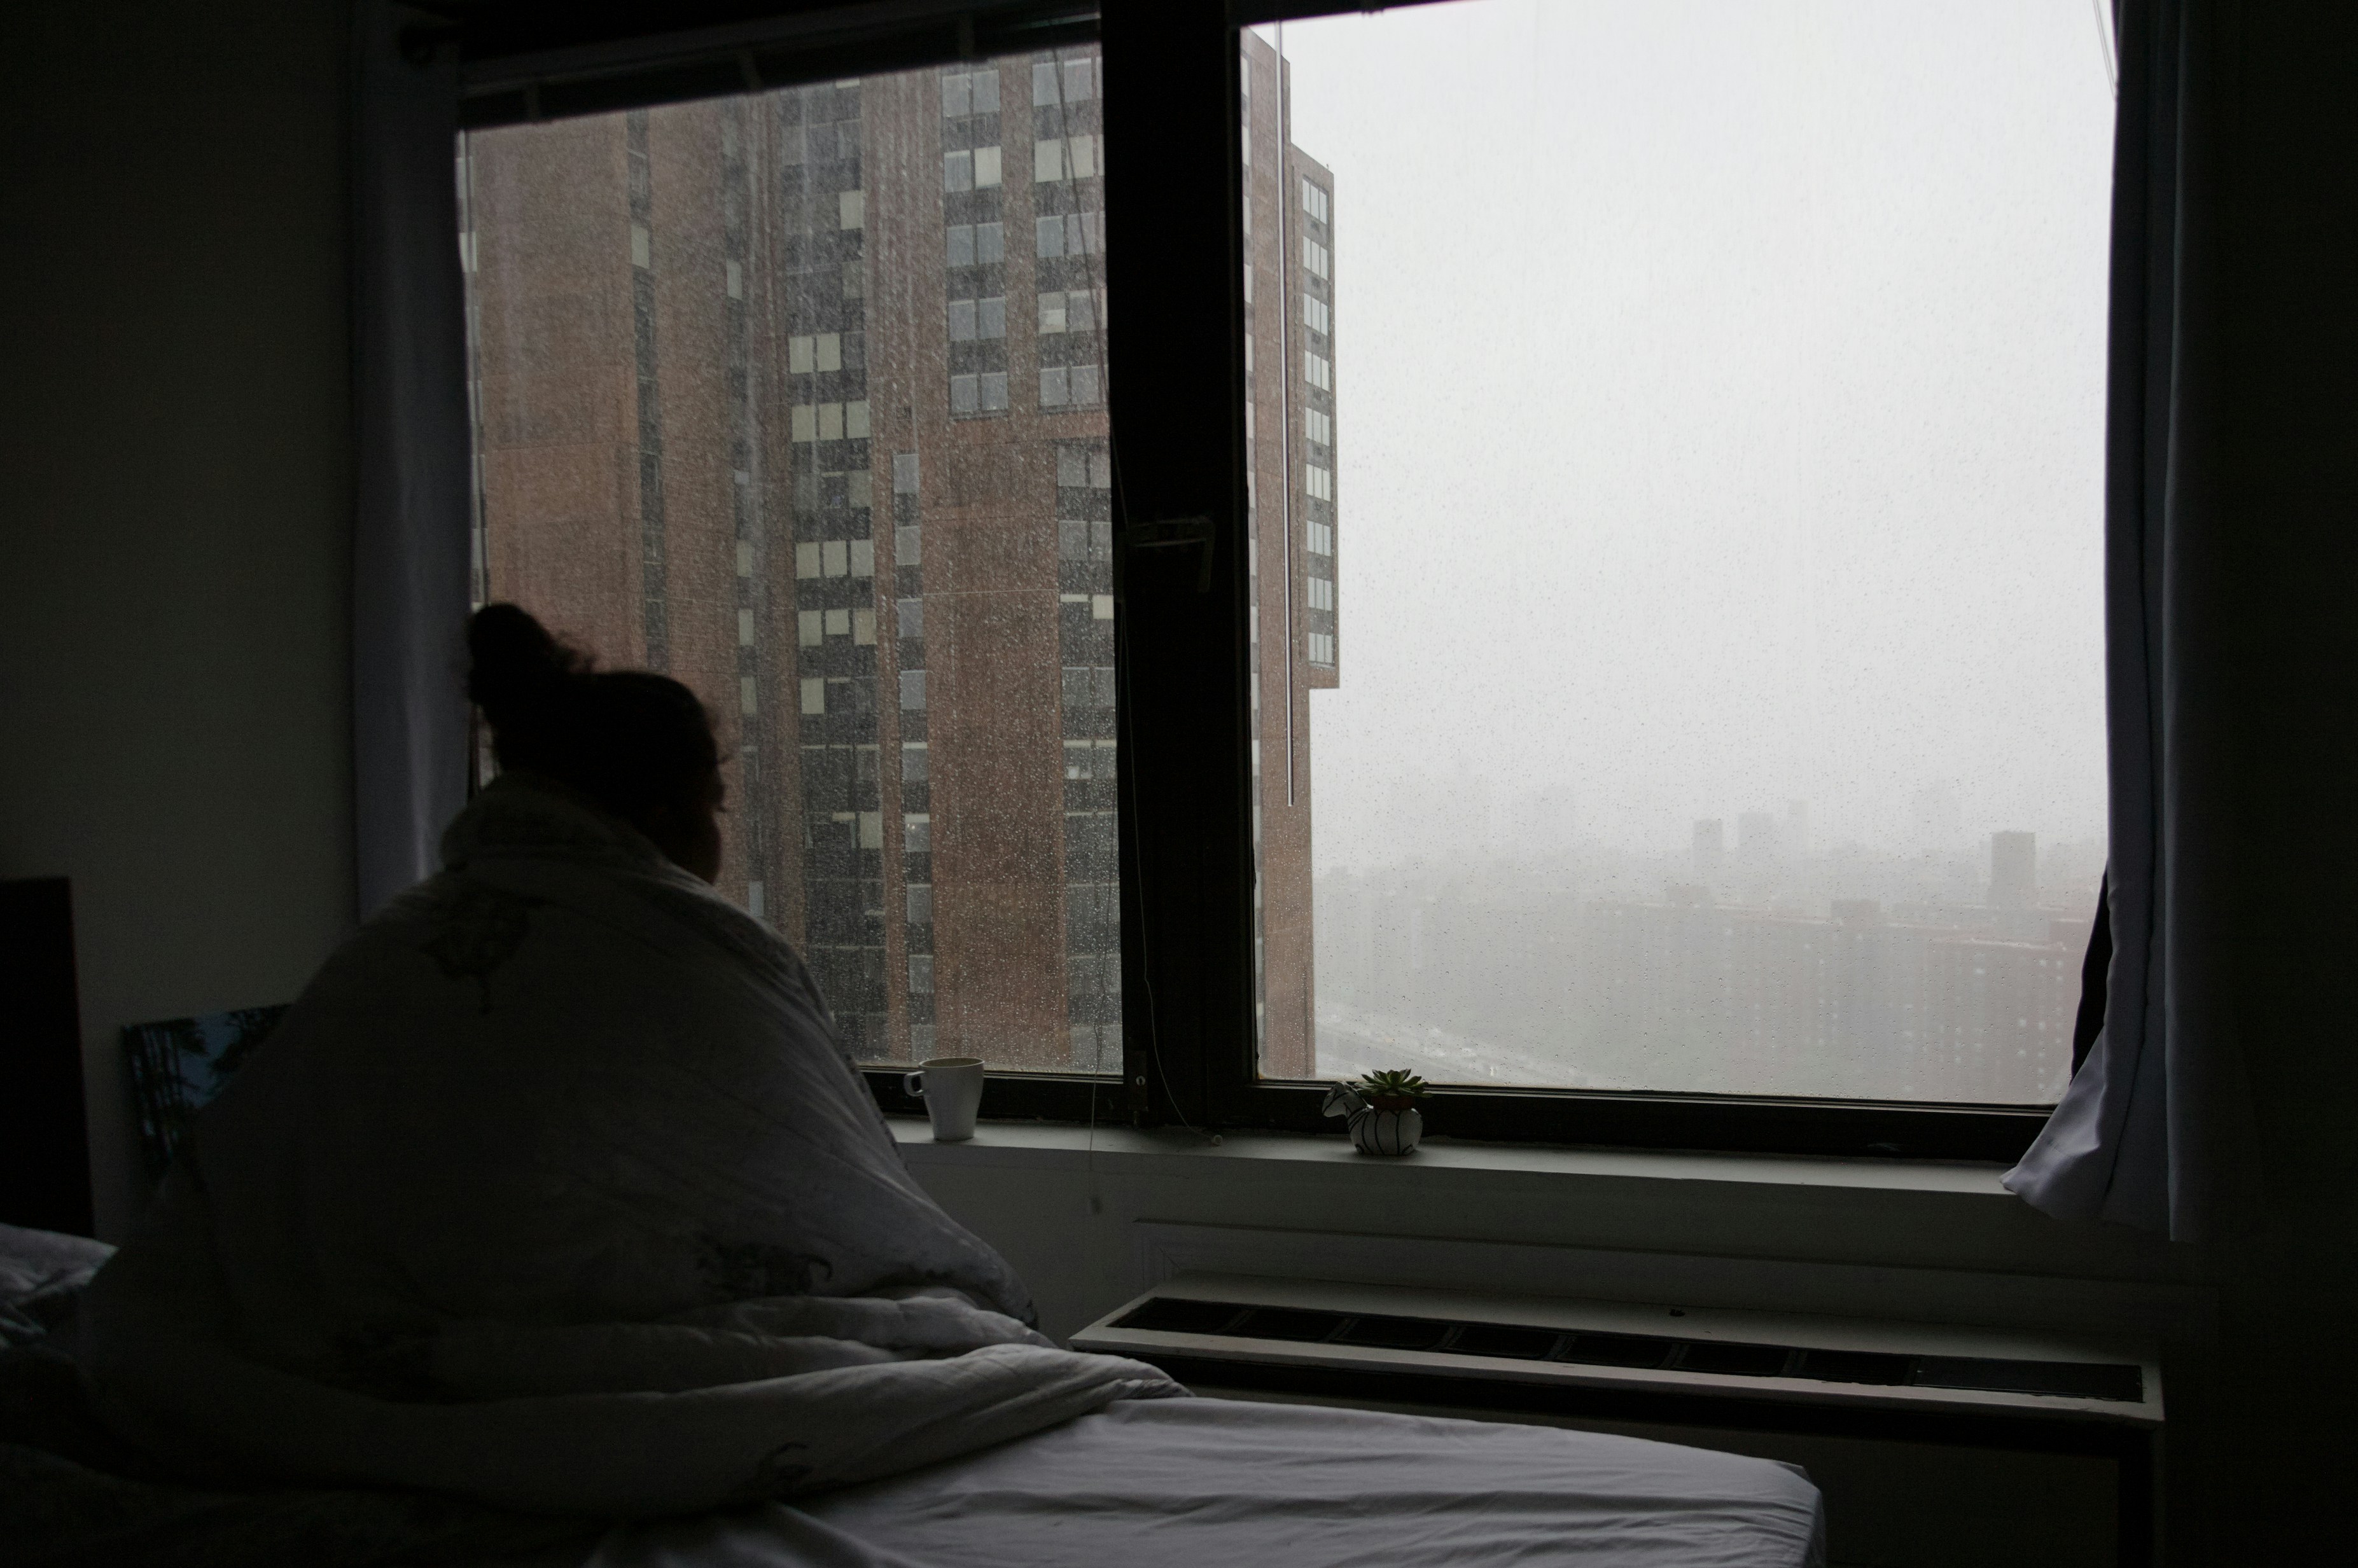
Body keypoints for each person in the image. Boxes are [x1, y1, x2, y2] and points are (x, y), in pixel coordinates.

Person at [78, 605, 1176, 1519]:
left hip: (287, 1354)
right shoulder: (677, 948)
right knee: (945, 1316)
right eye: (717, 805)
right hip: (552, 1347)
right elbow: (822, 1198)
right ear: (662, 809)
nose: (717, 837)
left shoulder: (393, 941)